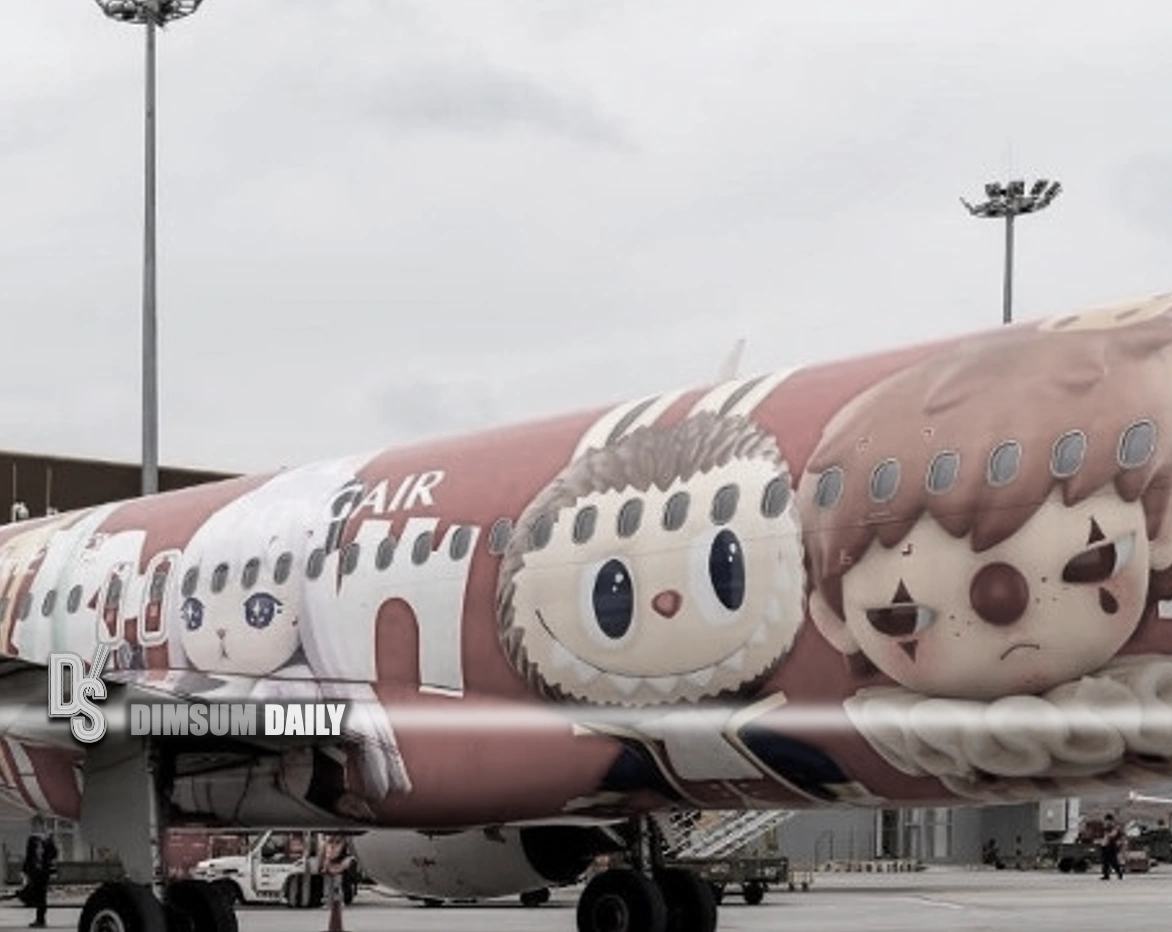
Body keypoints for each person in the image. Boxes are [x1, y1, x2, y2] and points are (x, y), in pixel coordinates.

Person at [22, 819, 57, 928]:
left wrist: (25, 871)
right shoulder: (46, 840)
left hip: (37, 871)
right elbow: (54, 855)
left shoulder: (33, 840)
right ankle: (40, 918)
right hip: (42, 872)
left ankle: (40, 919)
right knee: (41, 895)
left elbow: (29, 857)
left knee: (39, 895)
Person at [320, 834, 354, 932]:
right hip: (331, 864)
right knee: (329, 885)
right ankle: (330, 901)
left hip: (338, 865)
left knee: (336, 885)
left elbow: (336, 853)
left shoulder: (341, 843)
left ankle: (337, 901)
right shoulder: (329, 843)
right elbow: (325, 854)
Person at [1100, 813, 1125, 880]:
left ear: (1111, 820)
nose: (1106, 822)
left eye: (1107, 820)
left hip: (1112, 846)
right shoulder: (1106, 827)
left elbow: (1113, 835)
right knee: (1105, 861)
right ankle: (1106, 875)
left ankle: (1119, 873)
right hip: (1106, 846)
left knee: (1113, 861)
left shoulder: (1114, 827)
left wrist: (1108, 836)